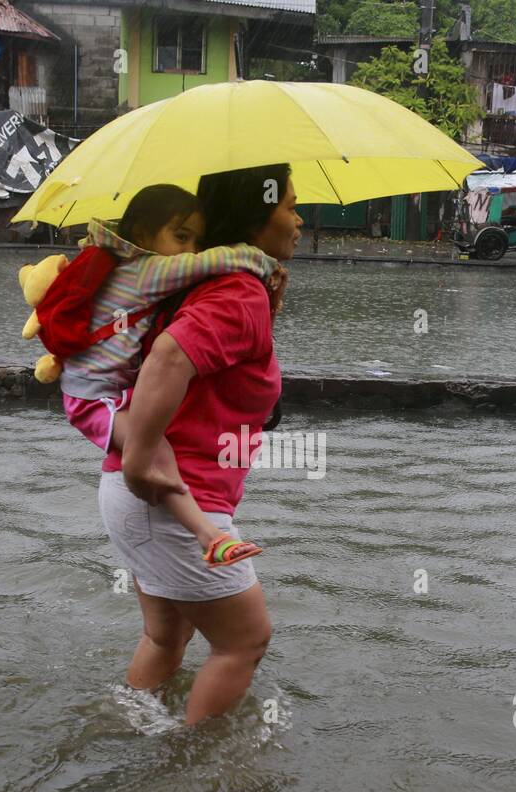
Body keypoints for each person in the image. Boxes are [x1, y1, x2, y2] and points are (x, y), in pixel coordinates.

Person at [99, 164, 301, 726]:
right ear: (257, 216)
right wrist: (142, 459)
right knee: (245, 642)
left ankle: (125, 733)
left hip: (134, 494)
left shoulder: (208, 282)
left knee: (166, 637)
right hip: (167, 496)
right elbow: (169, 356)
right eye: (289, 204)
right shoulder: (237, 291)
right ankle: (190, 777)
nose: (299, 218)